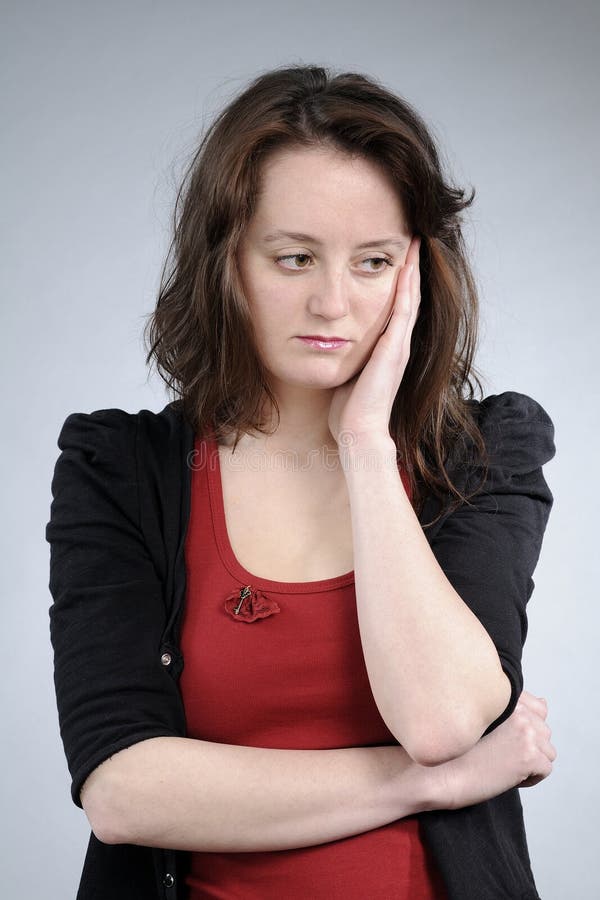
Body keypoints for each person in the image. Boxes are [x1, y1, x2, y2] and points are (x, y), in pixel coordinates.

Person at [46, 64, 557, 900]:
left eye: (373, 261)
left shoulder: (484, 448)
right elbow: (122, 789)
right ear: (228, 264)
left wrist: (362, 442)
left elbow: (440, 721)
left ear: (418, 272)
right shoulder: (119, 469)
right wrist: (428, 784)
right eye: (294, 258)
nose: (333, 303)